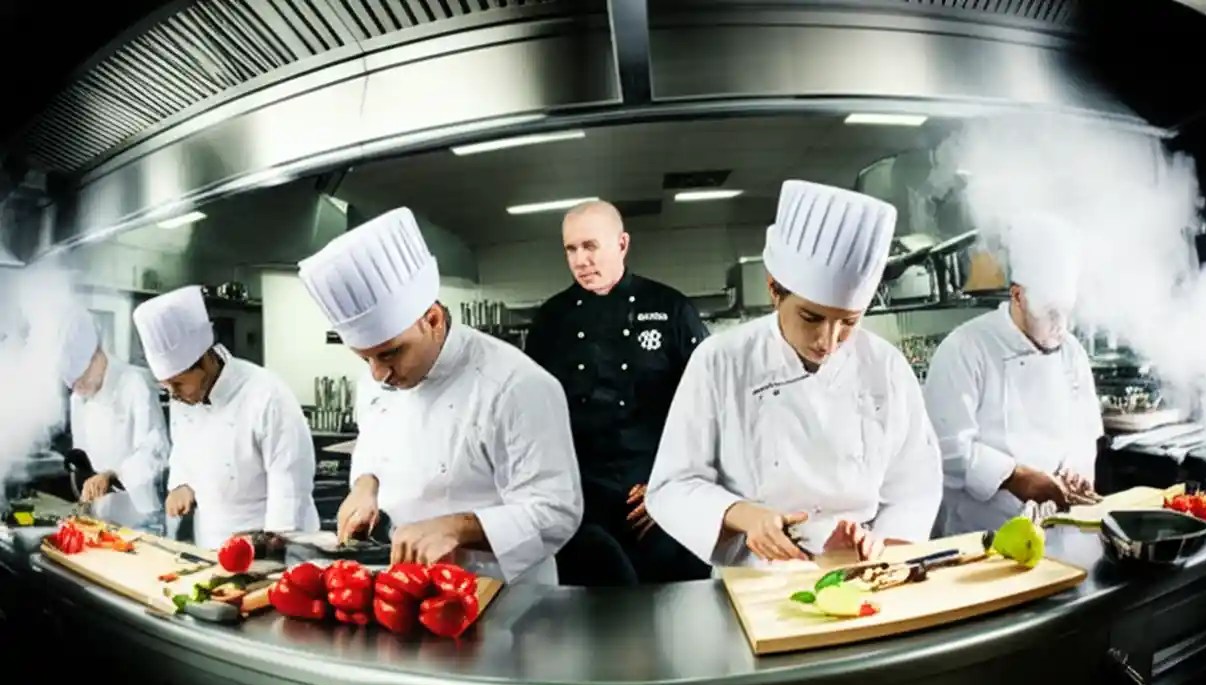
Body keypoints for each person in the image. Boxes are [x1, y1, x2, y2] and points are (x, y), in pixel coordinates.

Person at [646, 180, 944, 570]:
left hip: (863, 575)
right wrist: (745, 515)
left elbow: (914, 487)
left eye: (848, 323)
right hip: (756, 578)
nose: (828, 340)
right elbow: (672, 486)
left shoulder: (885, 367)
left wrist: (879, 545)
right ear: (774, 289)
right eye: (811, 317)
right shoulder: (720, 360)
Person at [296, 207, 582, 585]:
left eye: (389, 353)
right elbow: (374, 444)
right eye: (364, 358)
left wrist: (458, 527)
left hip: (502, 595)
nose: (378, 374)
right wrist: (367, 486)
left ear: (431, 320)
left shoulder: (518, 385)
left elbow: (557, 510)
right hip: (408, 586)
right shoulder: (377, 377)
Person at [524, 200, 711, 586]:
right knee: (597, 622)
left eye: (590, 246)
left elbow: (707, 410)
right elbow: (533, 419)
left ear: (622, 244)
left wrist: (670, 486)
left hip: (659, 501)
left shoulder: (671, 309)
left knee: (676, 613)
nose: (580, 260)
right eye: (570, 250)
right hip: (584, 506)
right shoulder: (551, 320)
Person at [924, 213, 1103, 536]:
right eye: (1050, 312)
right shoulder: (966, 348)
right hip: (984, 536)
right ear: (1018, 296)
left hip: (1062, 530)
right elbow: (945, 448)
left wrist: (1077, 467)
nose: (1061, 326)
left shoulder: (1072, 350)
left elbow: (1086, 429)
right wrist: (1014, 476)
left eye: (1066, 312)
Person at [132, 285, 320, 549]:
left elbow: (290, 487)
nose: (173, 396)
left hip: (270, 544)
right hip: (210, 544)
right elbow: (185, 450)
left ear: (206, 360)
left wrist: (275, 542)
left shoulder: (267, 395)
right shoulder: (184, 398)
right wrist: (182, 484)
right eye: (166, 387)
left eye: (178, 384)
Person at [59, 306, 169, 532]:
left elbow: (156, 451)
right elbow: (84, 461)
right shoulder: (79, 398)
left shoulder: (134, 384)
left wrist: (114, 476)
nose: (79, 388)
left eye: (82, 378)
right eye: (74, 385)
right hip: (99, 518)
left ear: (97, 355)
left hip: (140, 519)